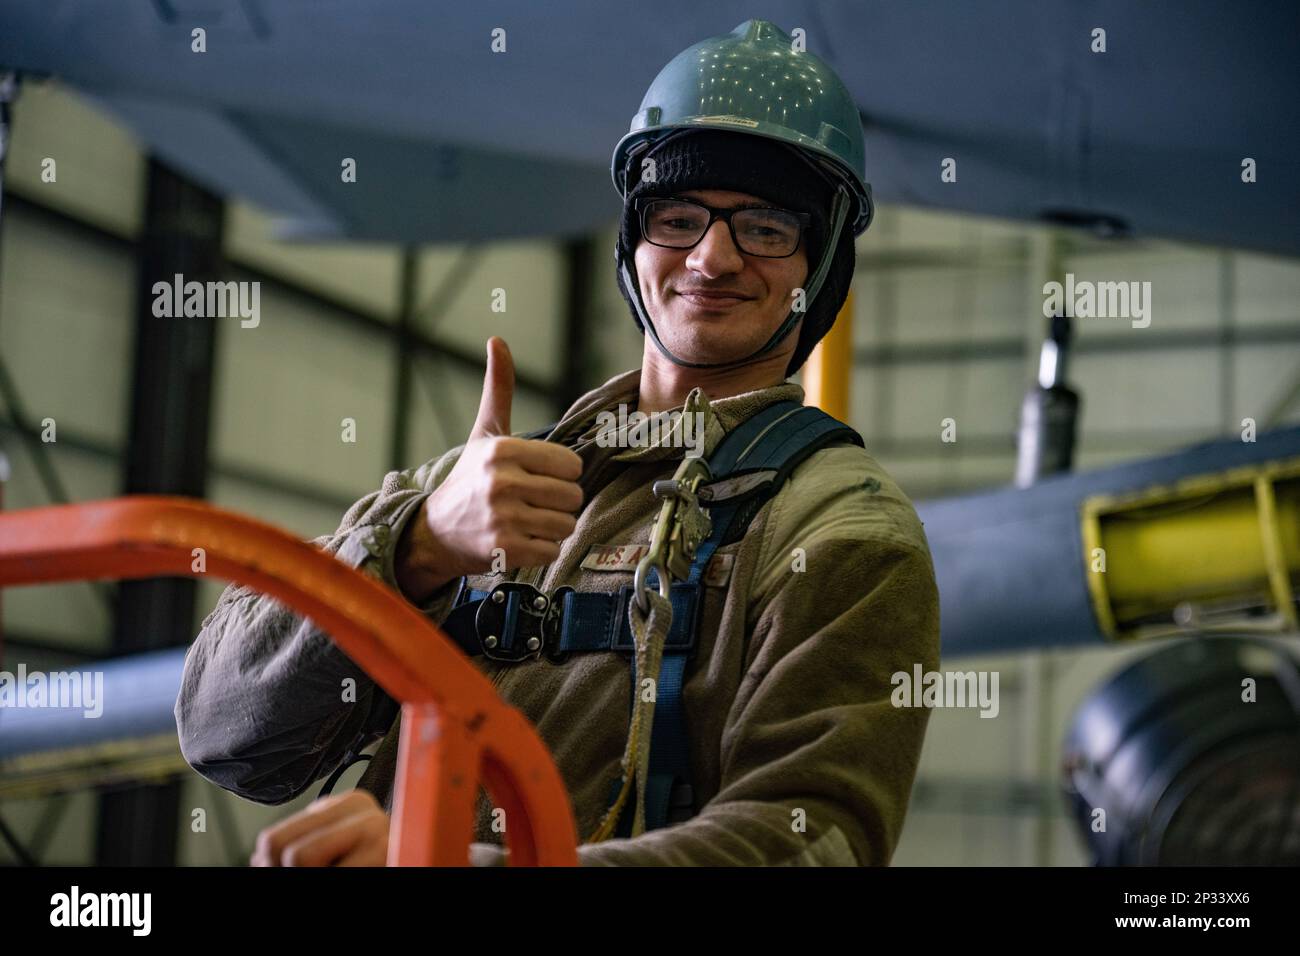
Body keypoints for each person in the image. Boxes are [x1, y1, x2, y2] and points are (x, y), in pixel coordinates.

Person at [176, 19, 940, 867]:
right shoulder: (478, 487)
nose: (712, 257)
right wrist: (418, 547)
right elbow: (221, 731)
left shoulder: (842, 532)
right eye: (678, 216)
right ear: (633, 244)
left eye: (765, 226)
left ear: (822, 265)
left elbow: (810, 839)